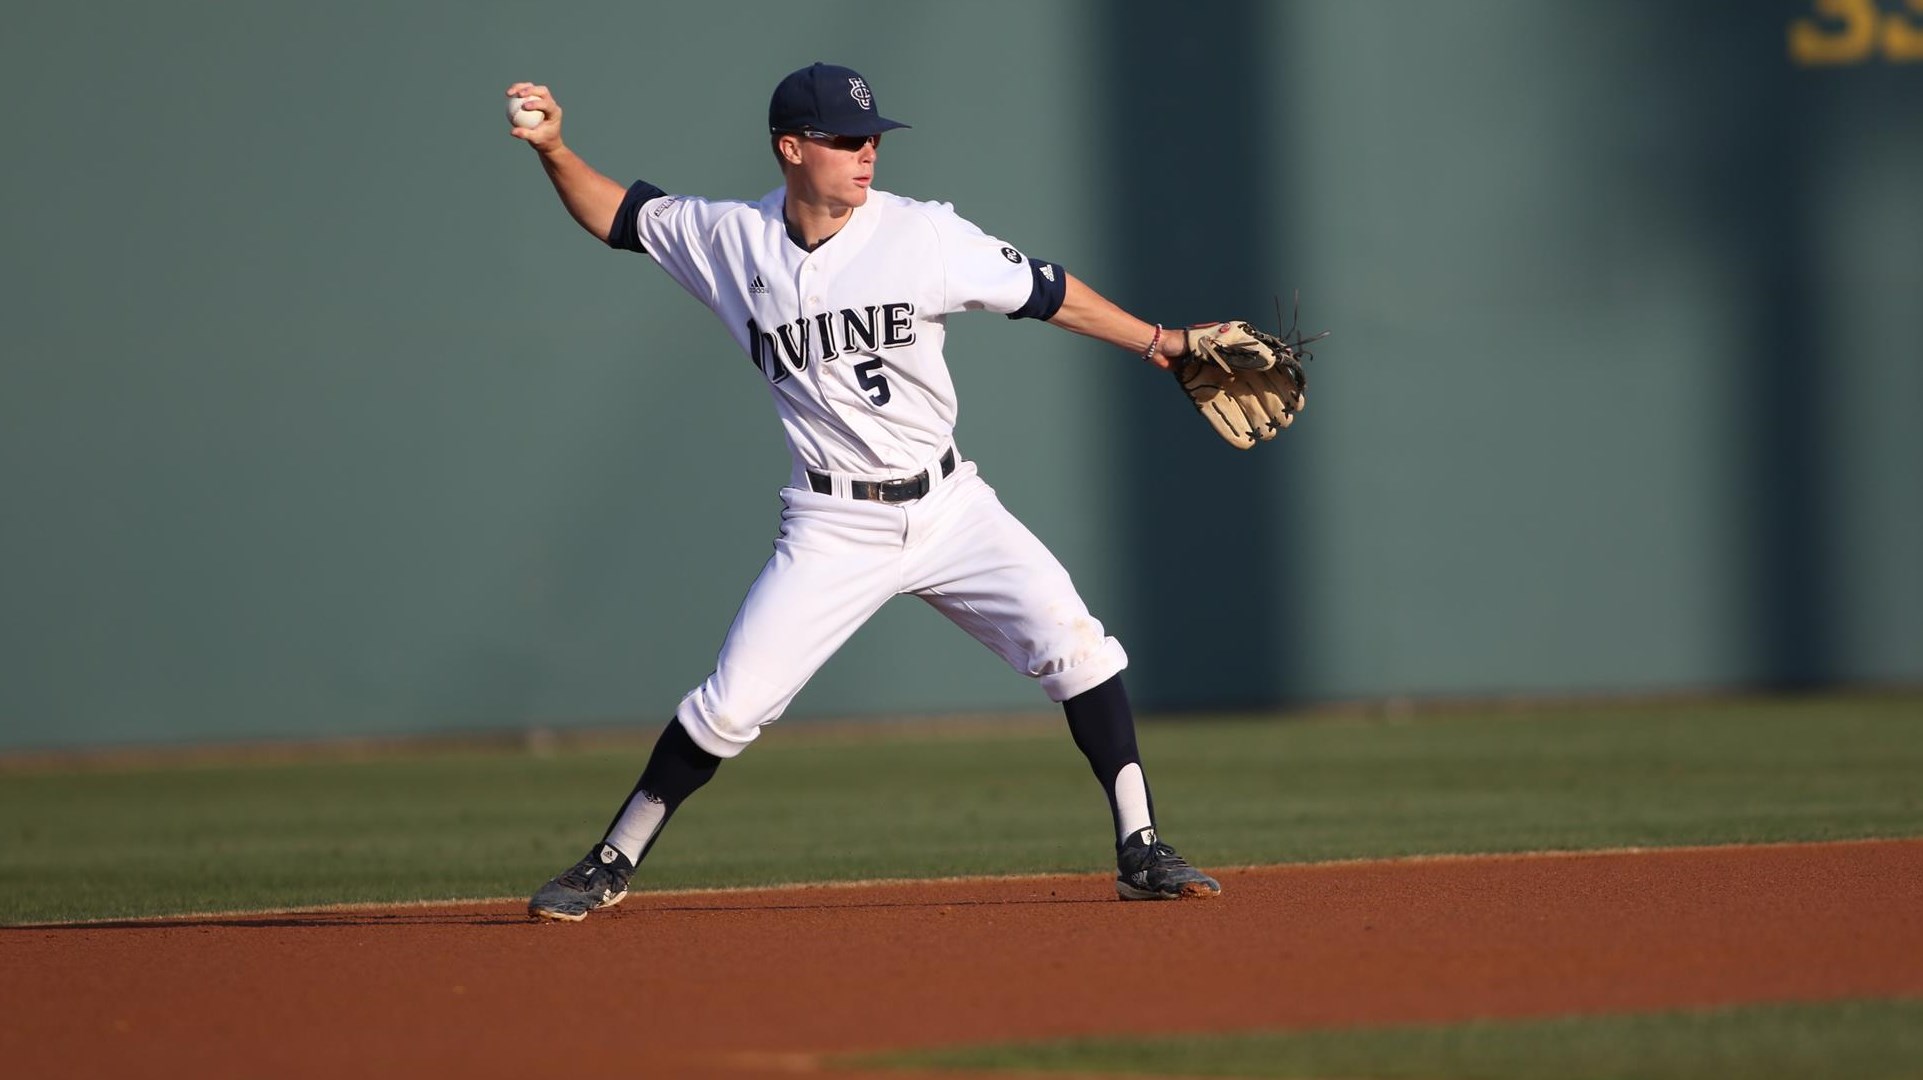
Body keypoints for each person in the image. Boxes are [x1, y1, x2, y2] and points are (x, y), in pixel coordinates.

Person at [508, 63, 1221, 922]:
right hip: (832, 522)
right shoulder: (730, 239)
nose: (866, 151)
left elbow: (1047, 291)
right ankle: (610, 860)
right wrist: (552, 147)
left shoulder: (921, 234)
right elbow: (618, 216)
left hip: (951, 506)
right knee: (730, 705)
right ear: (791, 148)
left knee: (1079, 648)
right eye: (845, 139)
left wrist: (1162, 343)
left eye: (872, 136)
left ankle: (1140, 850)